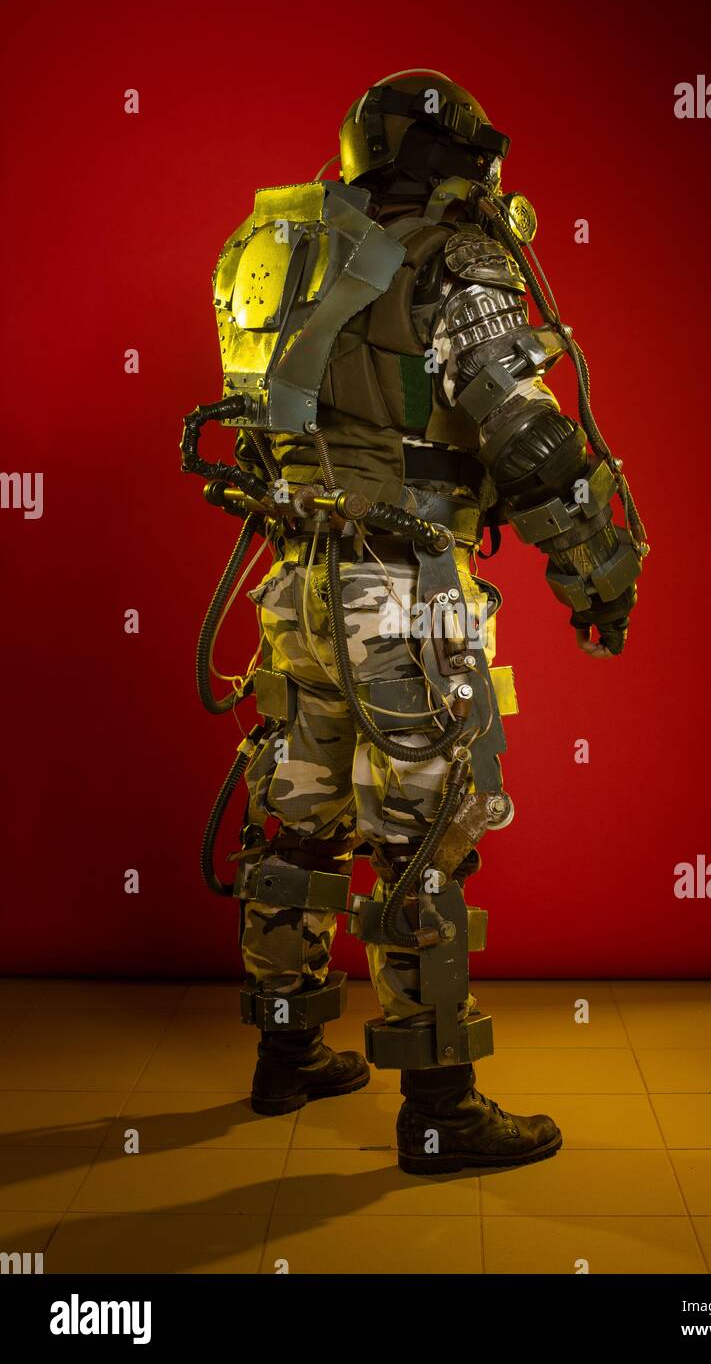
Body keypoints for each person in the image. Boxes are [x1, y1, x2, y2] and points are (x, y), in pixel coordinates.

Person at [187, 70, 645, 1176]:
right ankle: (438, 1108)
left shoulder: (275, 249)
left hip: (291, 578)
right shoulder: (455, 257)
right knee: (421, 841)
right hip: (400, 590)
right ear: (456, 155)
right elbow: (524, 438)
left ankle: (286, 1054)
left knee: (295, 817)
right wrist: (597, 570)